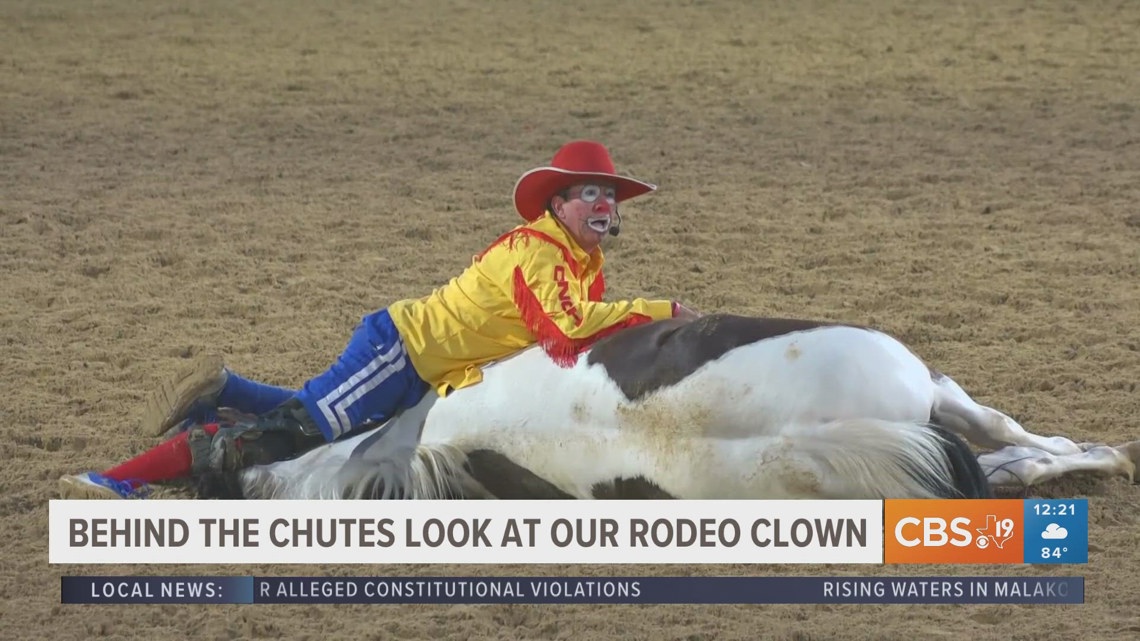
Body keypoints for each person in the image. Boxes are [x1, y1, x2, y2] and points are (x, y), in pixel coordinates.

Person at [58, 140, 700, 499]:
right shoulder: (538, 253)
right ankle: (113, 479)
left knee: (322, 431)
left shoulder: (576, 260)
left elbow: (575, 322)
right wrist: (662, 310)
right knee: (294, 435)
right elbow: (566, 332)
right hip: (402, 353)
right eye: (590, 192)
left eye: (609, 195)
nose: (604, 203)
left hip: (418, 362)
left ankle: (227, 394)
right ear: (557, 203)